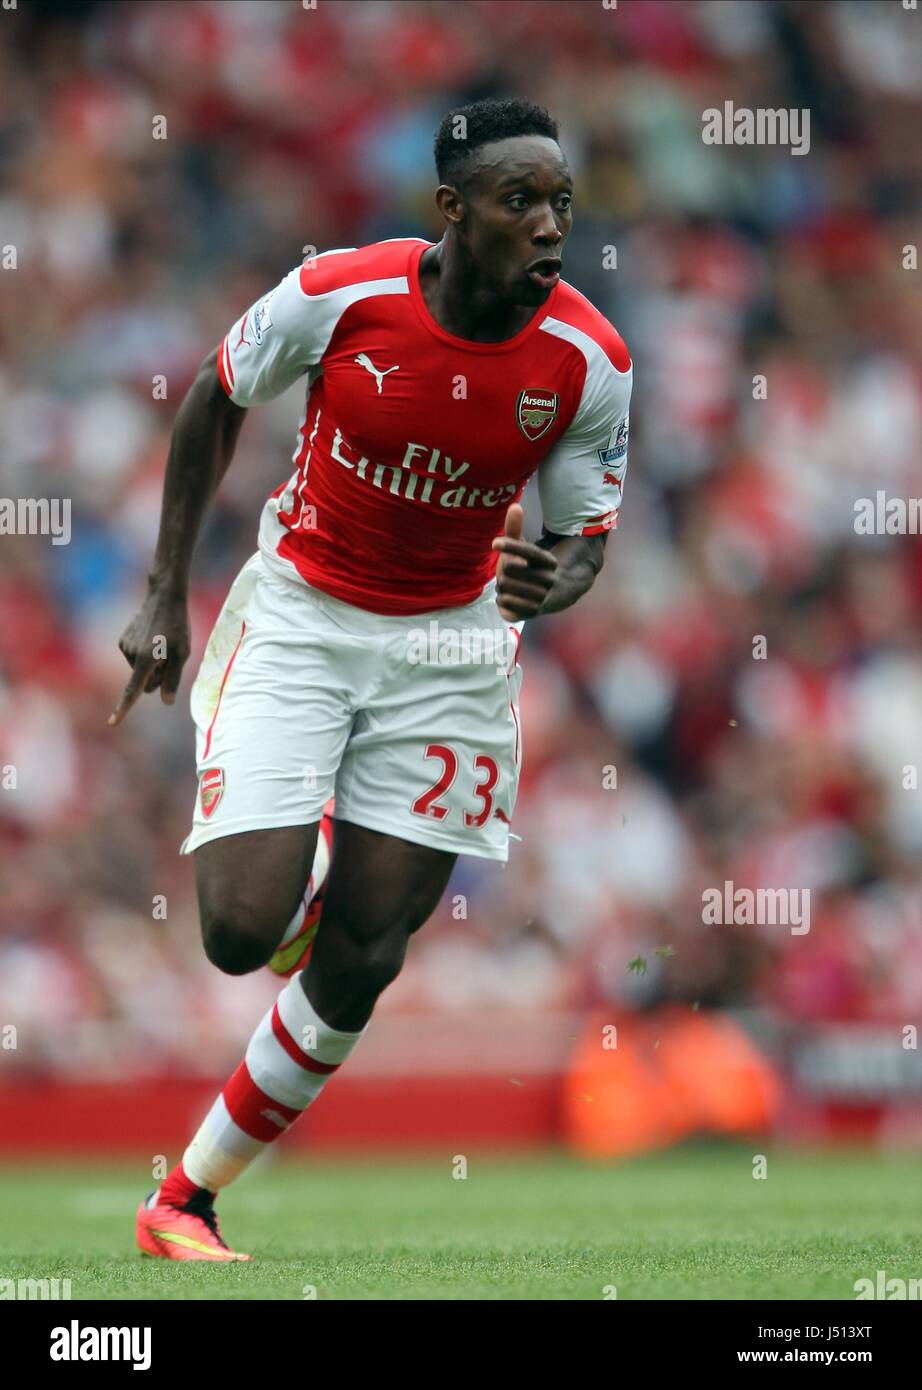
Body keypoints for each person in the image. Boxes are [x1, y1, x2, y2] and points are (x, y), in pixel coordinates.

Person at [111, 98, 632, 1261]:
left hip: (449, 651)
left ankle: (183, 1200)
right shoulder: (343, 293)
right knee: (243, 933)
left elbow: (586, 530)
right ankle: (299, 889)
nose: (548, 224)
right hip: (303, 615)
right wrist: (160, 595)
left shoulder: (590, 359)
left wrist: (563, 578)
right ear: (451, 211)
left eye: (560, 202)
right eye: (520, 201)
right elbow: (214, 396)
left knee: (366, 955)